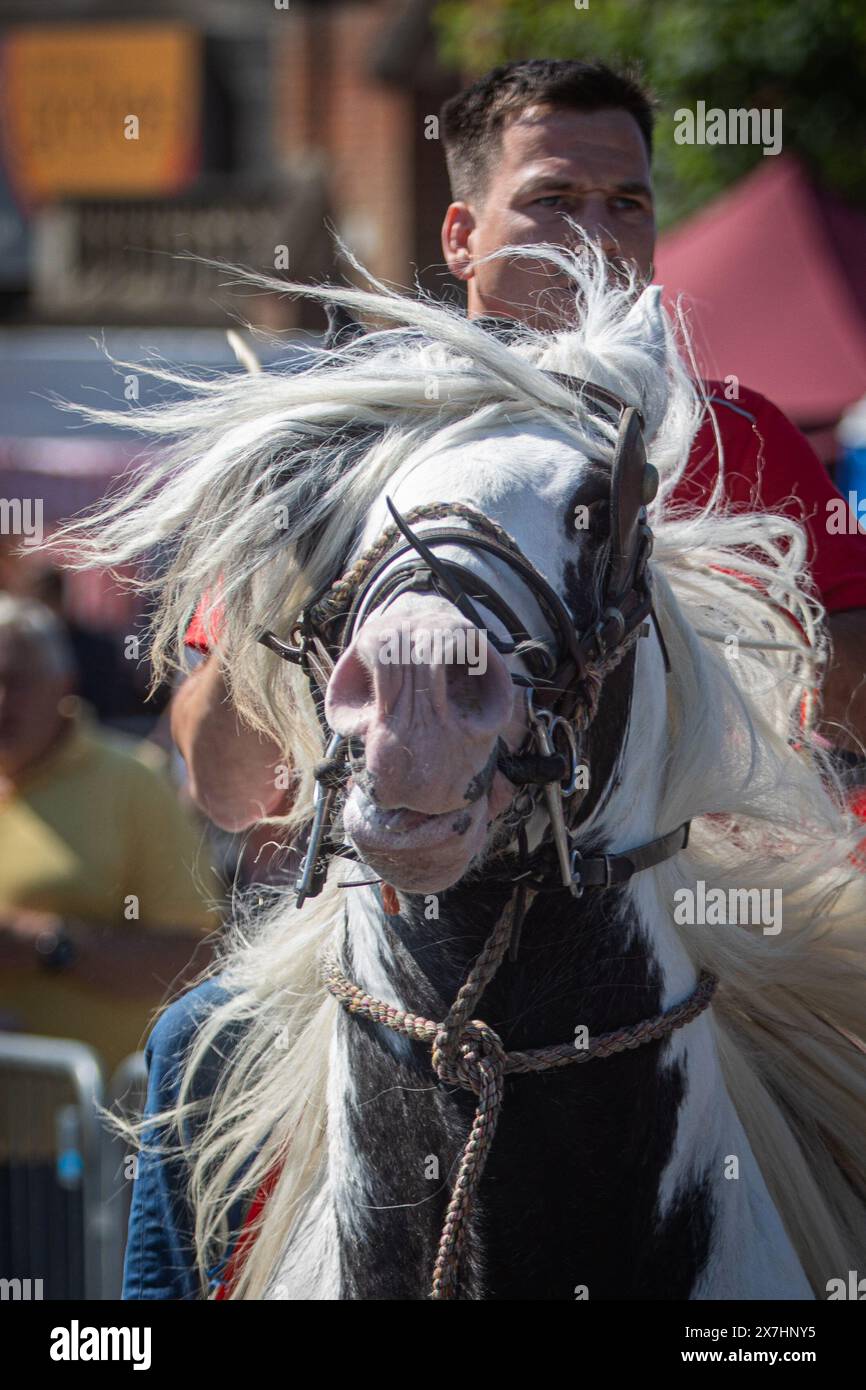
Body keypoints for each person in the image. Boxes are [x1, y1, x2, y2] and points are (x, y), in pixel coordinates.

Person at [172, 59, 866, 832]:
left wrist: (733, 655)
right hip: (414, 928)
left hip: (701, 923)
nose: (599, 236)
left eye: (627, 204)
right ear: (462, 239)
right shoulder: (353, 445)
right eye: (555, 200)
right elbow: (230, 795)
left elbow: (854, 708)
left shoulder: (738, 436)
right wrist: (286, 575)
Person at [0, 596, 222, 1073]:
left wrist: (49, 946)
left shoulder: (133, 784)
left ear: (64, 685)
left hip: (84, 1133)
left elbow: (194, 959)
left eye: (15, 682)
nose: (1, 701)